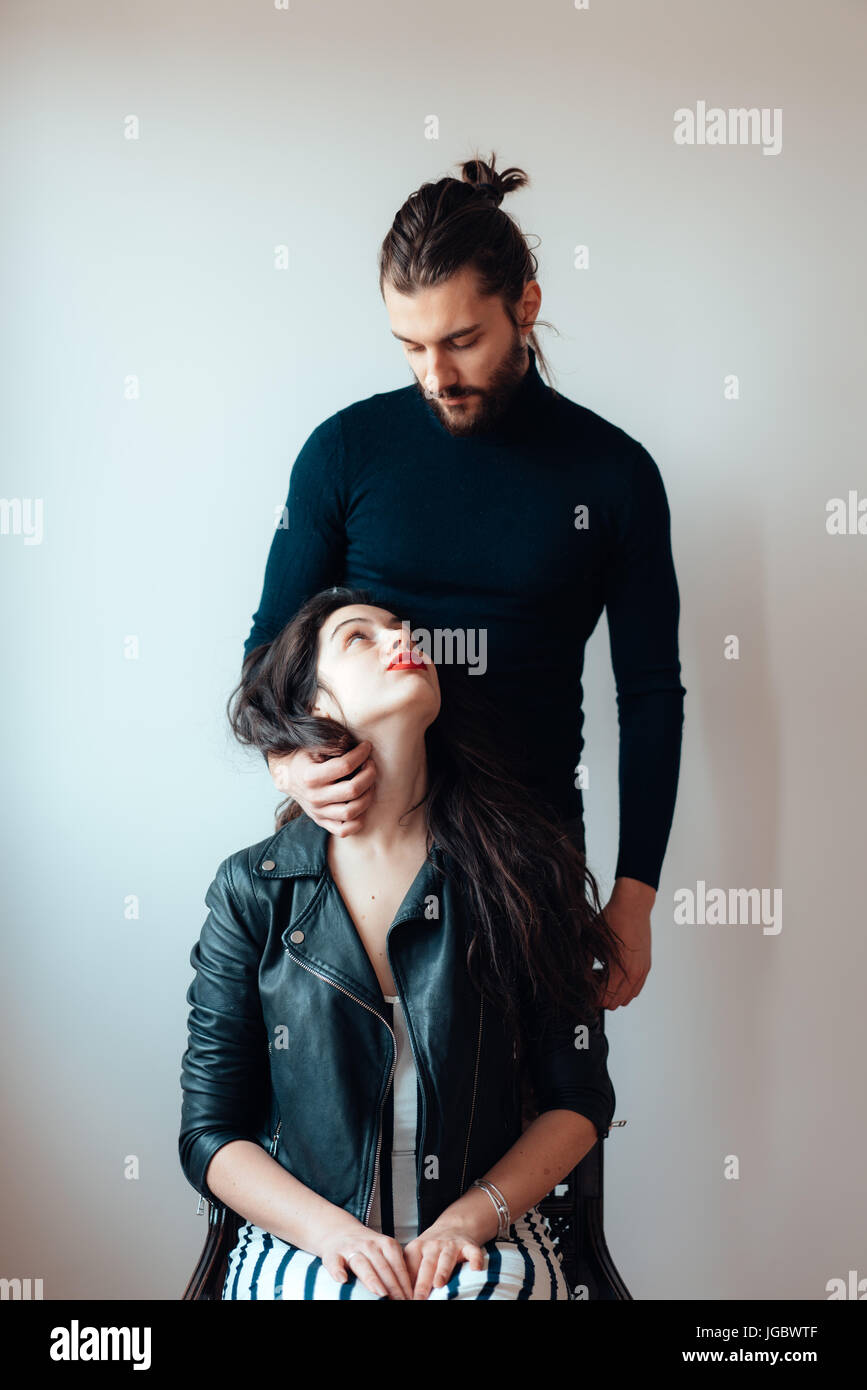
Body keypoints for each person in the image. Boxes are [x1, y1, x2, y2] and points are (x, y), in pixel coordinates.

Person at [242, 151, 686, 1012]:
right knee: (340, 1130)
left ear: (525, 307)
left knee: (546, 1123)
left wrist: (635, 894)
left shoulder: (614, 474)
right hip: (356, 851)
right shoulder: (343, 452)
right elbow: (270, 647)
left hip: (530, 865)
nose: (434, 376)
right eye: (409, 345)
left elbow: (652, 694)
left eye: (460, 341)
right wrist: (288, 764)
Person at [179, 588, 624, 1300]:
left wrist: (464, 1224)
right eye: (360, 637)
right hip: (305, 1243)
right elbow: (208, 1132)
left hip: (488, 1238)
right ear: (314, 707)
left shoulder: (521, 870)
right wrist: (334, 1236)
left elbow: (577, 1098)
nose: (401, 639)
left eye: (402, 629)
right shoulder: (252, 889)